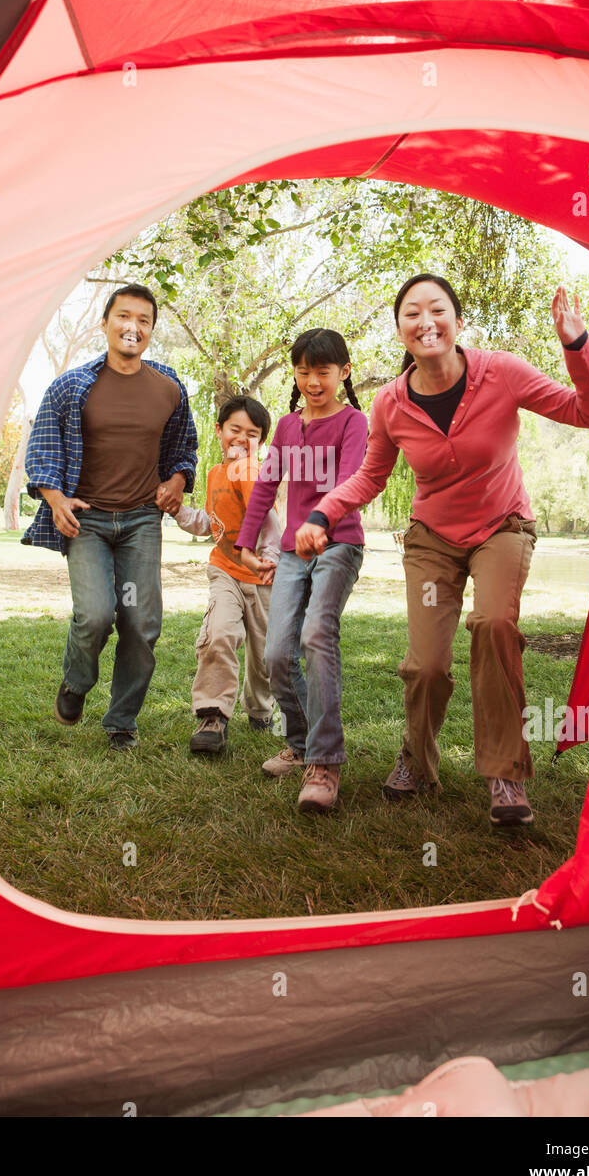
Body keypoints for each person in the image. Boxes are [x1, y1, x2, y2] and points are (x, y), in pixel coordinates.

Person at [296, 274, 589, 826]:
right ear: (400, 331)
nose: (425, 321)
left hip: (501, 528)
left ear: (457, 322)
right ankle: (416, 758)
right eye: (411, 314)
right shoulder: (391, 403)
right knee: (428, 665)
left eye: (436, 310)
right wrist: (324, 512)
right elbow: (370, 476)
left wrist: (577, 345)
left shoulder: (502, 372)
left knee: (493, 625)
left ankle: (505, 774)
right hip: (433, 539)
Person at [21, 284, 198, 751]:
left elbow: (184, 449)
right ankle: (77, 682)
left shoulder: (169, 387)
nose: (132, 327)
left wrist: (179, 480)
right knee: (96, 614)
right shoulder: (71, 386)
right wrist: (56, 499)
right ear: (105, 324)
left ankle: (121, 721)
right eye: (123, 316)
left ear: (152, 331)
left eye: (143, 320)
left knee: (141, 624)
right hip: (88, 521)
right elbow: (41, 452)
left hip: (141, 520)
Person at [236, 328, 369, 814]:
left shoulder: (355, 422)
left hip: (339, 545)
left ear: (344, 372)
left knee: (316, 635)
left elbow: (355, 478)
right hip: (293, 552)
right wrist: (245, 544)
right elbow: (266, 488)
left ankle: (326, 760)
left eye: (323, 371)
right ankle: (300, 743)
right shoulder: (289, 429)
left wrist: (322, 521)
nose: (313, 381)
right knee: (275, 653)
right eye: (304, 371)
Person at [173, 395, 282, 754]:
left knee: (264, 654)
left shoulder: (253, 472)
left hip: (262, 576)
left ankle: (261, 709)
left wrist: (268, 561)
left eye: (252, 434)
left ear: (261, 442)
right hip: (225, 571)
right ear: (219, 431)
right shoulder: (216, 473)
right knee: (219, 633)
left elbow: (268, 520)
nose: (241, 438)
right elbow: (211, 523)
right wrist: (179, 512)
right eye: (234, 429)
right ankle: (213, 715)